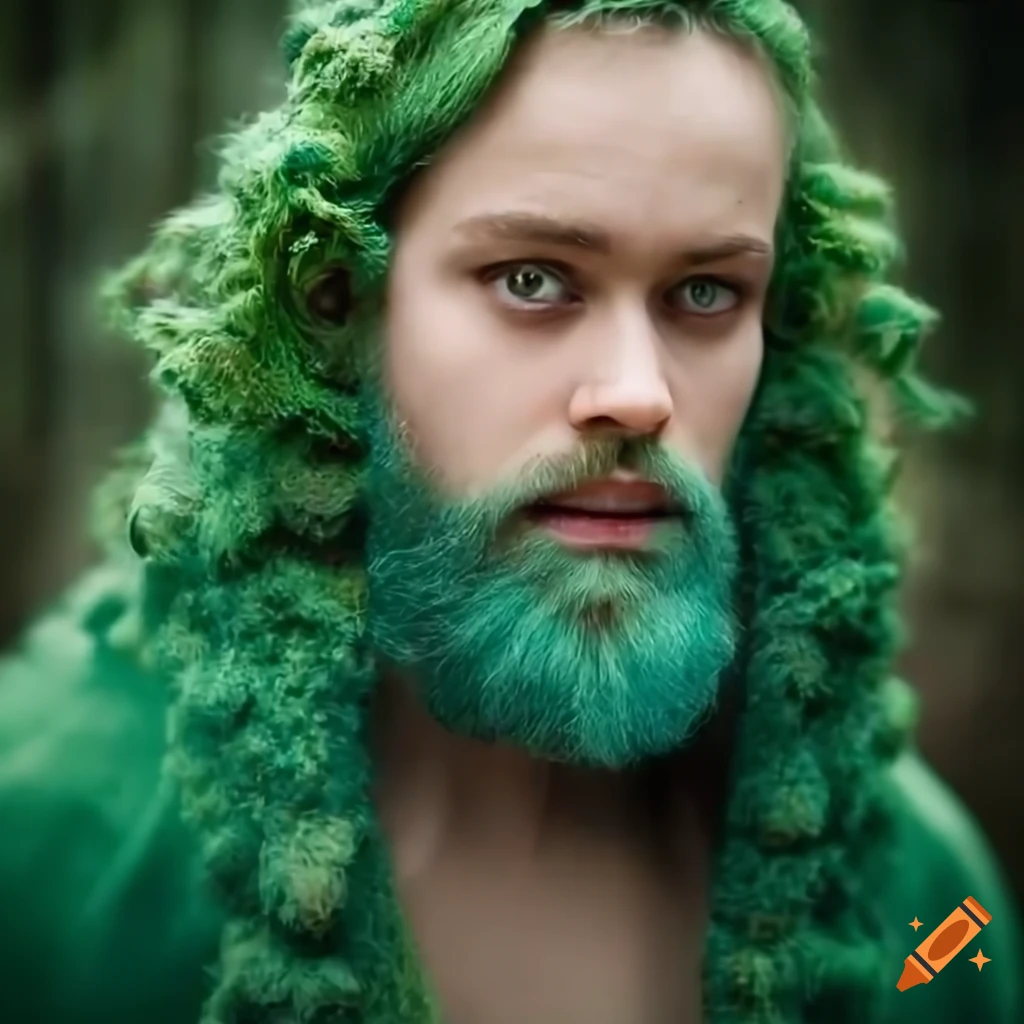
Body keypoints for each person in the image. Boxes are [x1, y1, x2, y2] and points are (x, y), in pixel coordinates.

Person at [0, 1, 1020, 1022]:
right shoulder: (44, 855)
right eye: (532, 279)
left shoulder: (930, 918)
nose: (637, 392)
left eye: (706, 293)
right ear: (337, 305)